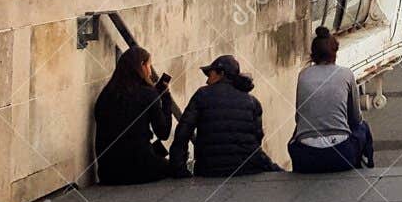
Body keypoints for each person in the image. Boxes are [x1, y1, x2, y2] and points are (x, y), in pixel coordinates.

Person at [171, 53, 278, 177]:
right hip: (247, 168)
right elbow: (257, 137)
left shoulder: (202, 95)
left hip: (209, 169)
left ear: (221, 73)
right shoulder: (252, 102)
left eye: (210, 74)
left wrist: (179, 168)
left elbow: (183, 132)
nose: (207, 80)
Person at [289, 26, 375, 173]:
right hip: (341, 154)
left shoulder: (303, 75)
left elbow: (299, 118)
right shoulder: (346, 74)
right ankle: (368, 169)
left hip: (306, 157)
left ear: (313, 54)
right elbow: (355, 118)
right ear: (334, 52)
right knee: (363, 127)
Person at [93, 46, 174, 184]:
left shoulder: (105, 94)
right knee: (174, 166)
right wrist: (166, 99)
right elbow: (163, 133)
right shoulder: (148, 94)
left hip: (108, 172)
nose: (150, 72)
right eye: (149, 65)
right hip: (139, 169)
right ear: (142, 65)